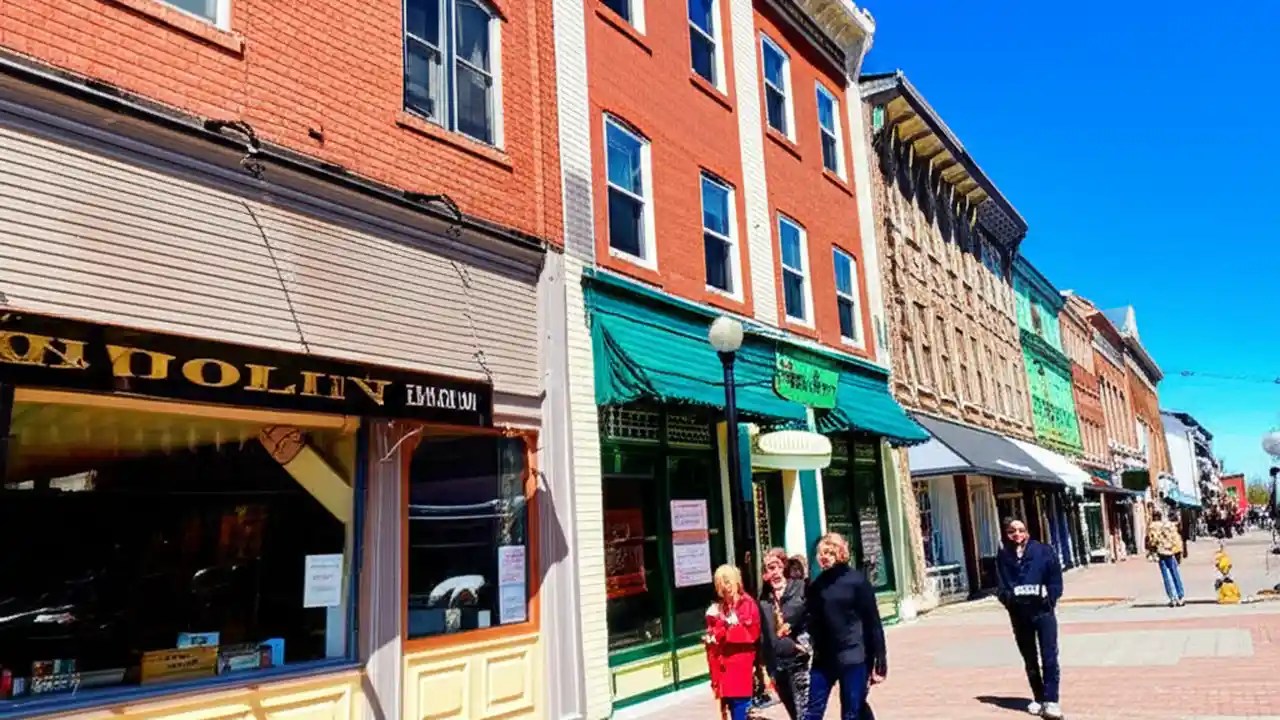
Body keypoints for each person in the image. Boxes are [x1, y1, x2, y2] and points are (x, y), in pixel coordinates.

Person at [803, 533, 885, 720]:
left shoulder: (857, 582)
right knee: (813, 712)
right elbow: (812, 619)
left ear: (841, 553)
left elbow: (873, 622)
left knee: (851, 712)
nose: (824, 557)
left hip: (854, 656)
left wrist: (879, 659)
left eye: (829, 552)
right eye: (821, 553)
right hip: (824, 659)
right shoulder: (817, 586)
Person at [995, 517, 1063, 720]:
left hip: (1043, 612)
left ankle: (1052, 700)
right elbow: (1000, 588)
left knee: (1049, 656)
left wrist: (1049, 596)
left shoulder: (1044, 552)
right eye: (1011, 531)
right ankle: (1039, 696)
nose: (1017, 535)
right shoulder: (1003, 556)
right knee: (1030, 658)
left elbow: (1056, 582)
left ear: (1028, 532)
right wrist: (1010, 598)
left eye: (1020, 530)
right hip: (1019, 614)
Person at [705, 564, 761, 720]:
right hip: (723, 671)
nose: (725, 587)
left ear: (737, 581)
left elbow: (750, 635)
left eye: (728, 582)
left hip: (740, 668)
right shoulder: (720, 607)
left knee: (741, 712)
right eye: (721, 584)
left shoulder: (747, 604)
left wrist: (722, 631)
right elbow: (713, 636)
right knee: (727, 712)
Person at [759, 548, 810, 720]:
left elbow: (815, 619)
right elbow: (764, 636)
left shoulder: (801, 589)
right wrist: (766, 669)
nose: (772, 573)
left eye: (775, 567)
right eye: (767, 570)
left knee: (806, 713)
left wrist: (803, 646)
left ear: (784, 568)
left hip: (801, 661)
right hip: (778, 666)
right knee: (794, 714)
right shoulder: (765, 600)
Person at [1146, 510, 1186, 607]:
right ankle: (1180, 596)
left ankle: (1172, 597)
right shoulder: (1169, 525)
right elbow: (1176, 538)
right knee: (1175, 573)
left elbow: (1152, 540)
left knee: (1166, 576)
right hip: (1170, 551)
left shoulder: (1152, 526)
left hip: (1160, 553)